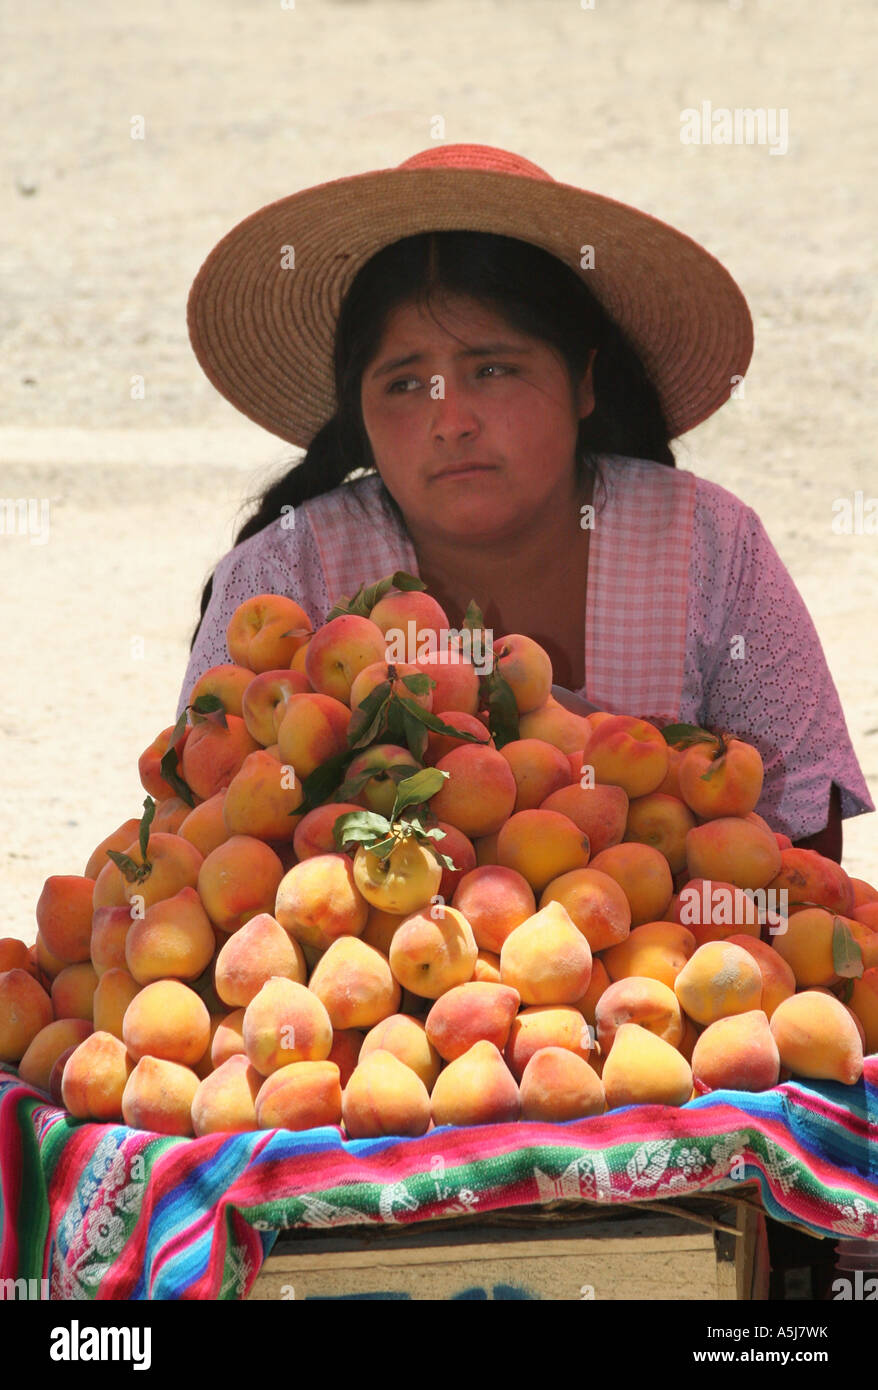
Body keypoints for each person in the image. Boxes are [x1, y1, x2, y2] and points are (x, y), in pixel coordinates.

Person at [179, 143, 874, 863]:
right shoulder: (288, 574)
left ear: (583, 383)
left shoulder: (710, 546)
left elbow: (803, 843)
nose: (452, 419)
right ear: (359, 413)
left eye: (493, 368)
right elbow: (203, 838)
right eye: (406, 384)